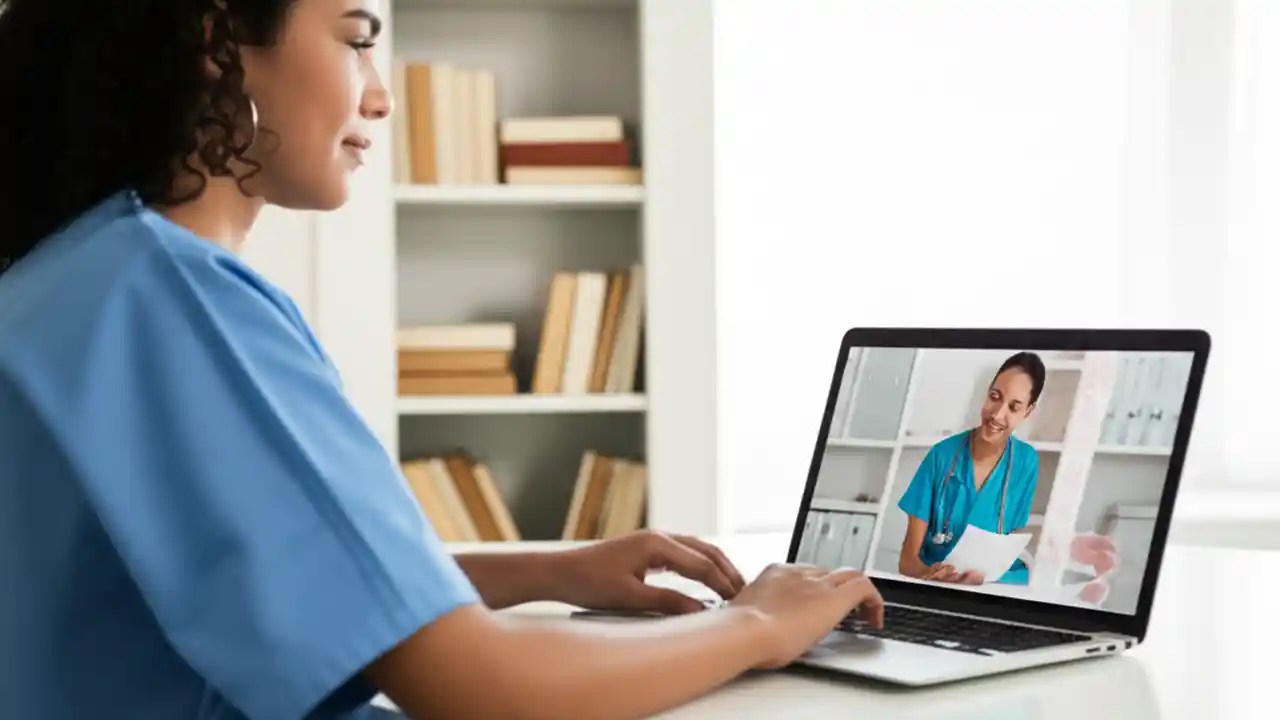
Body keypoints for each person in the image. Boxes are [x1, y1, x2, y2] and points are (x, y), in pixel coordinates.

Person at [0, 1, 884, 718]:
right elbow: (481, 687)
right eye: (354, 41)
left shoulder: (79, 278)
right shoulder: (178, 302)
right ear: (216, 43)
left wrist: (548, 569)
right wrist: (760, 624)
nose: (380, 98)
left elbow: (256, 586)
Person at [896, 352, 1046, 585]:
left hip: (993, 587)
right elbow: (907, 563)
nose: (997, 414)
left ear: (1028, 411)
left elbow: (1010, 545)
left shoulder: (1026, 462)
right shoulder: (941, 456)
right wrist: (932, 575)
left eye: (1014, 407)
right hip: (940, 587)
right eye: (995, 397)